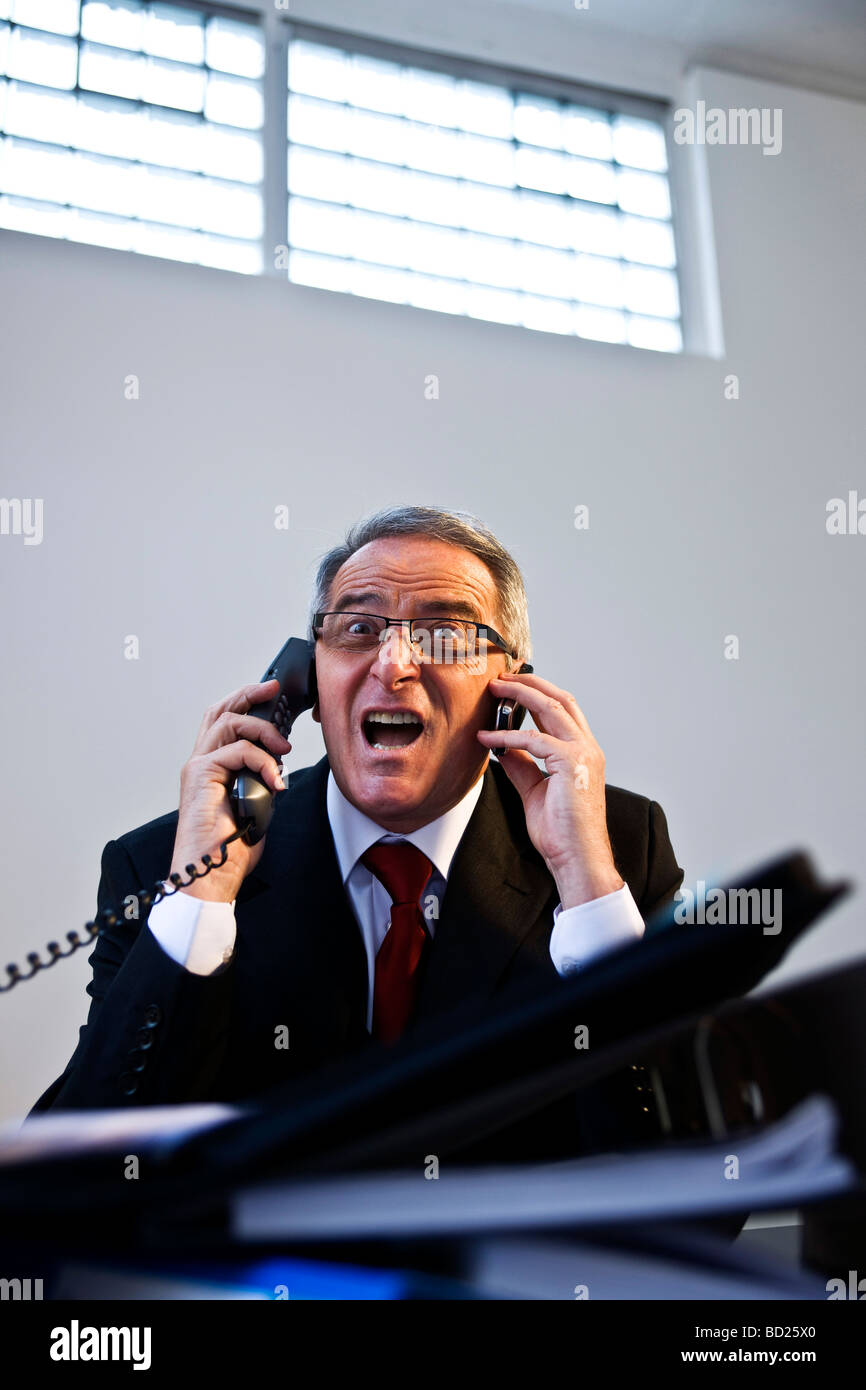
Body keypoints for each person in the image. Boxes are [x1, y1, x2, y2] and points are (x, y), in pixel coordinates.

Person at [30, 505, 683, 1156]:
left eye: (443, 632)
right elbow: (81, 1178)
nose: (394, 664)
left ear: (508, 691)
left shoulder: (619, 850)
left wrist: (588, 890)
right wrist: (198, 901)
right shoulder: (165, 867)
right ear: (310, 681)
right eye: (359, 628)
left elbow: (697, 1198)